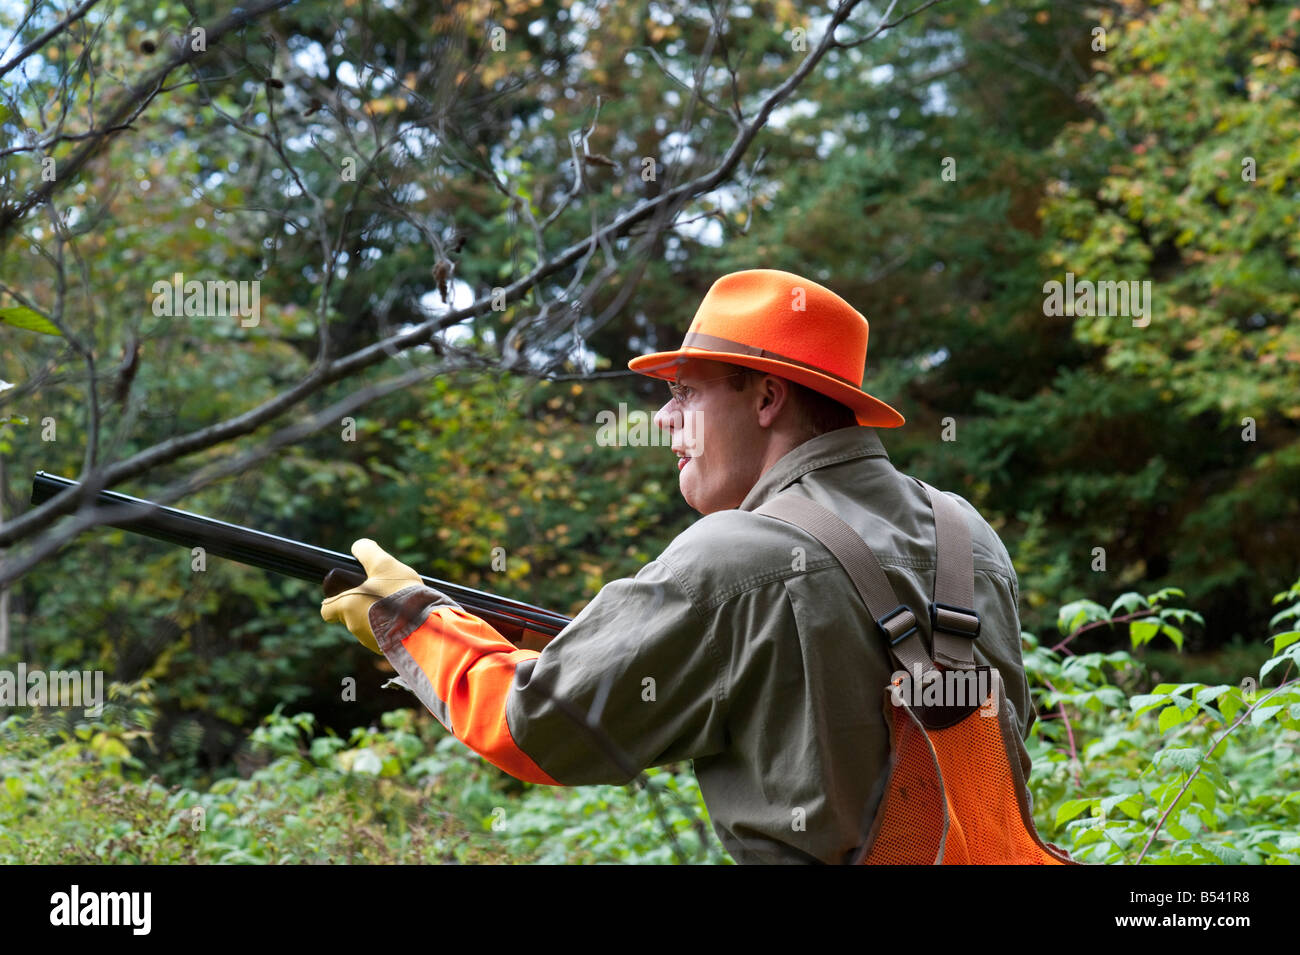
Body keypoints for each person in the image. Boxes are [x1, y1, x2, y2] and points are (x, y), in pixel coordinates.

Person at [321, 268, 1061, 864]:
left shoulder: (736, 555)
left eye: (685, 393)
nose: (663, 419)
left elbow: (537, 724)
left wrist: (409, 618)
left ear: (767, 396)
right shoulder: (969, 537)